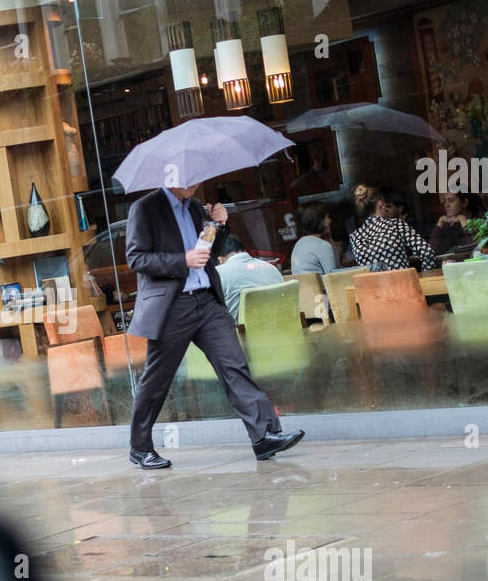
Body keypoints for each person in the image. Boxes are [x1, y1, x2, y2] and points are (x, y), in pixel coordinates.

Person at [123, 183, 303, 468]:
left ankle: (265, 435)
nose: (194, 184)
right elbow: (136, 258)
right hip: (173, 307)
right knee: (157, 380)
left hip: (207, 301)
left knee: (235, 366)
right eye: (188, 179)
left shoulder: (195, 207)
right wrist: (182, 260)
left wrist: (217, 225)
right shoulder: (145, 208)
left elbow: (208, 252)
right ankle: (140, 447)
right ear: (170, 177)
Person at [349, 186, 438, 273]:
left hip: (372, 287)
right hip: (402, 286)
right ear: (381, 203)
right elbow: (427, 253)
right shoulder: (396, 225)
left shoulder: (355, 236)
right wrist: (425, 278)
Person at [215, 235, 285, 322]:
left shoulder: (218, 273)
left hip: (242, 334)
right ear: (243, 250)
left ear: (220, 260)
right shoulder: (271, 268)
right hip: (282, 327)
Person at [290, 201, 341, 275]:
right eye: (327, 217)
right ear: (320, 221)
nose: (330, 220)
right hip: (321, 286)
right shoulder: (322, 245)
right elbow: (335, 277)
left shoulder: (299, 244)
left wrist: (329, 239)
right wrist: (330, 240)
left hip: (305, 286)